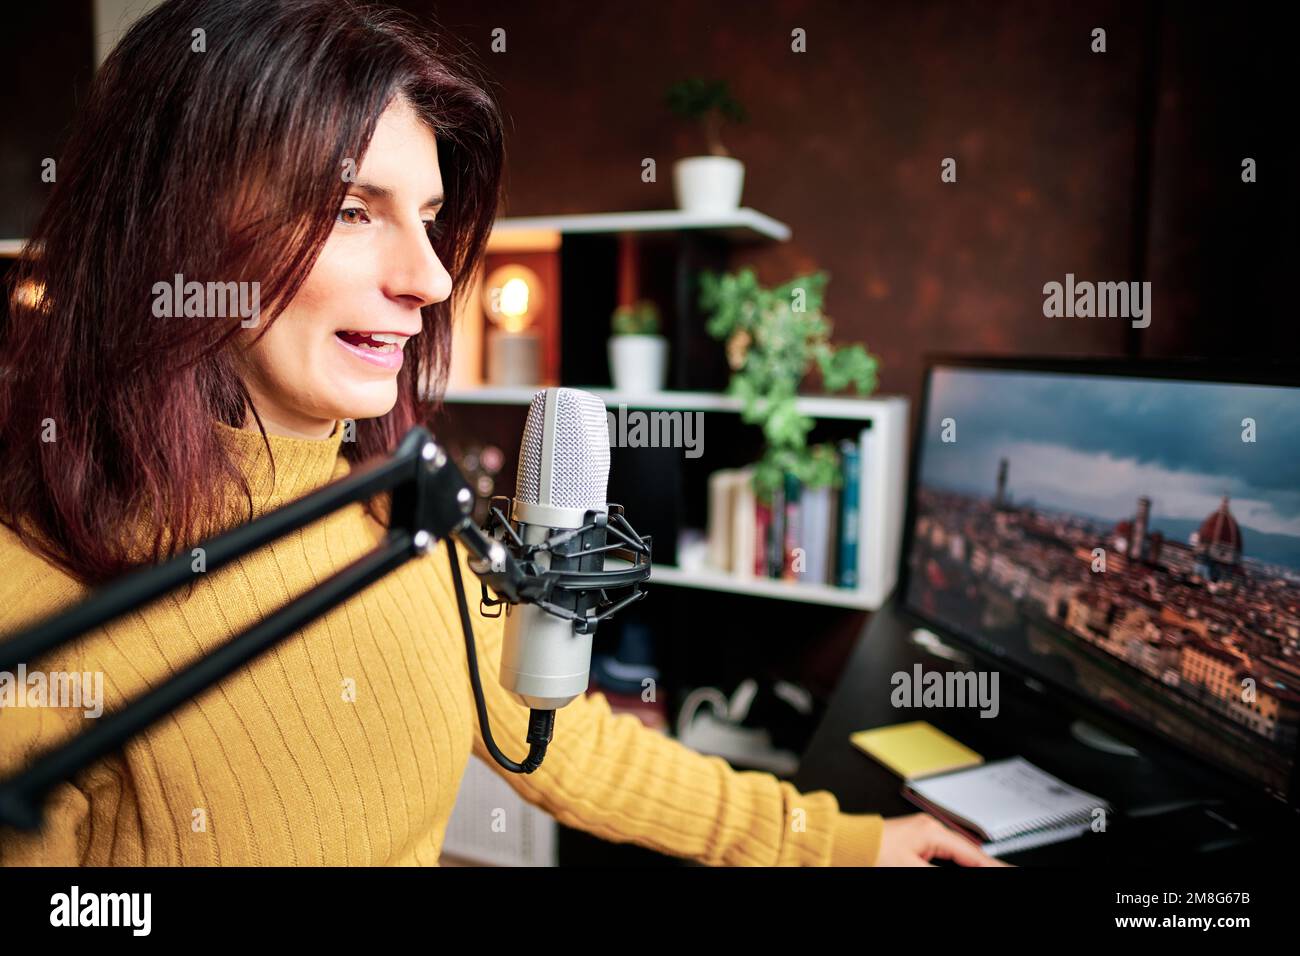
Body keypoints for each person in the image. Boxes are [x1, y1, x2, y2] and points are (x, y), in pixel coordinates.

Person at [0, 0, 1002, 867]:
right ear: (175, 231)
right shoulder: (34, 606)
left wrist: (839, 841)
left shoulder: (403, 526)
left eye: (431, 218)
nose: (432, 279)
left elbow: (564, 743)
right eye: (353, 211)